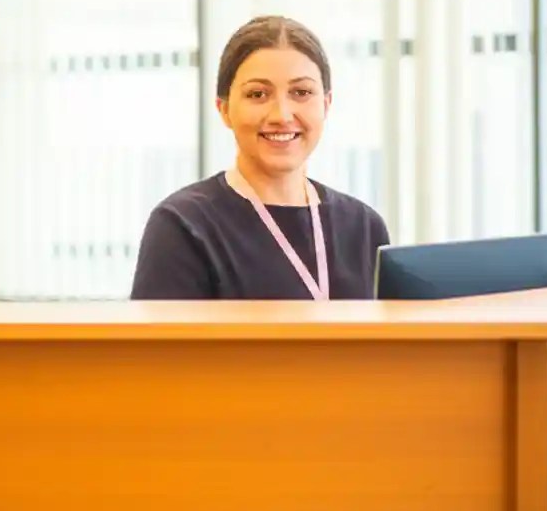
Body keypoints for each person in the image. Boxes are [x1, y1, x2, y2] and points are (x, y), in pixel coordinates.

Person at [130, 15, 390, 300]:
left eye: (301, 92)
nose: (282, 115)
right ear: (224, 109)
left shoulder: (363, 227)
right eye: (258, 94)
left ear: (326, 105)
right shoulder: (183, 226)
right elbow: (161, 345)